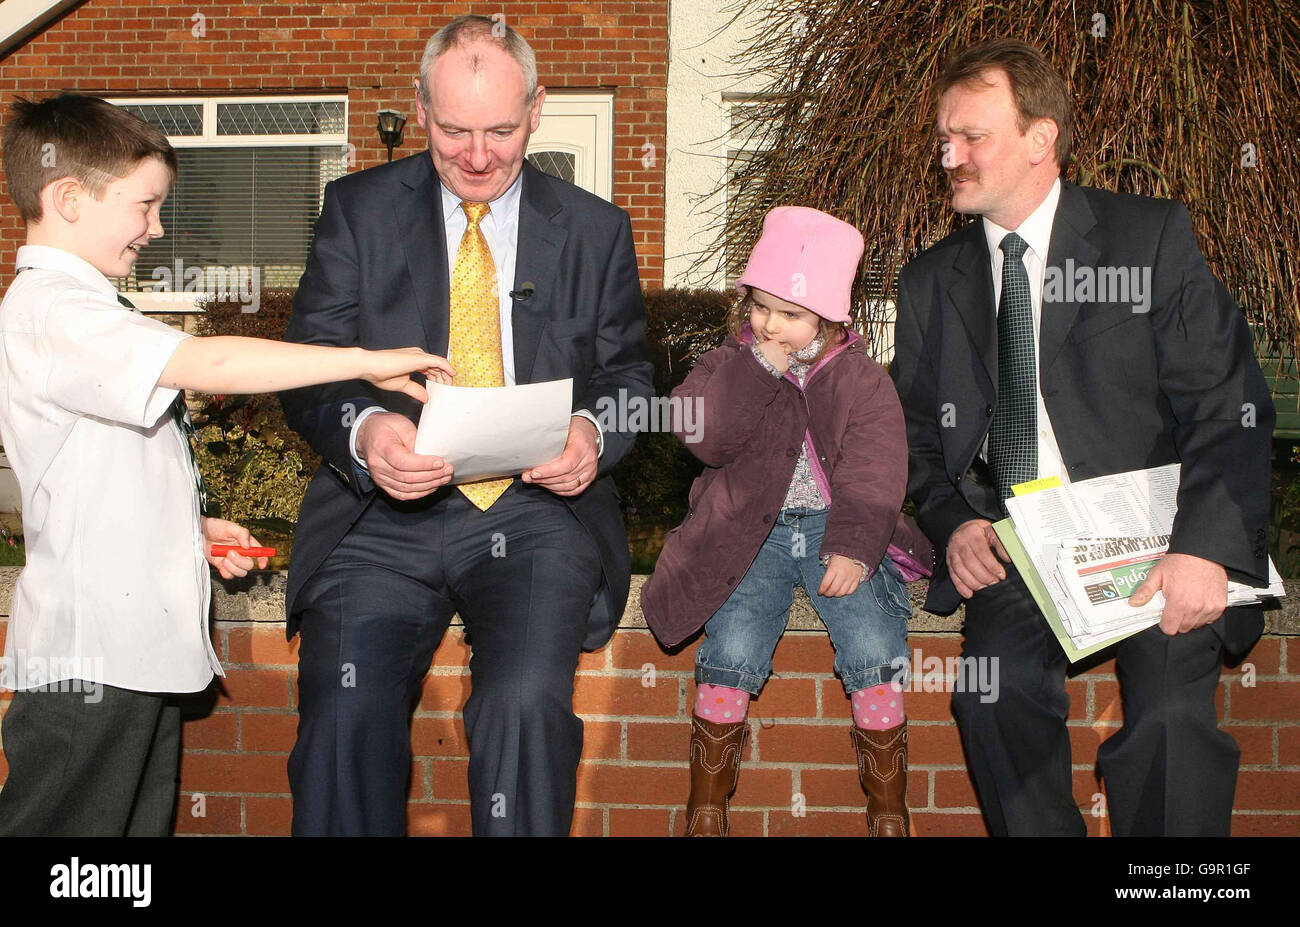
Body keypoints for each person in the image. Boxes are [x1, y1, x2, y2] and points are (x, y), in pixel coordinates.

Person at [0, 93, 454, 836]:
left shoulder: (83, 312)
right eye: (143, 205)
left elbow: (104, 467)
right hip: (94, 659)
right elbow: (205, 360)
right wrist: (364, 358)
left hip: (128, 653)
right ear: (68, 197)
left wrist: (193, 528)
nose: (155, 228)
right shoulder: (53, 310)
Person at [278, 15, 653, 837]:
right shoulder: (357, 211)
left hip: (535, 516)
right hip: (378, 521)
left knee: (523, 704)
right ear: (419, 111)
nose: (478, 156)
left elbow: (631, 380)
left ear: (537, 110)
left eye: (500, 131)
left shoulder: (597, 230)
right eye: (454, 132)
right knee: (345, 707)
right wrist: (368, 428)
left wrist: (592, 432)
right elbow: (305, 365)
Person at [890, 39, 1274, 836]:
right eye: (943, 138)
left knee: (1171, 716)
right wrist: (951, 520)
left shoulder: (1148, 239)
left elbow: (1227, 402)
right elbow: (913, 437)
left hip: (1157, 536)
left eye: (972, 136)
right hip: (1021, 544)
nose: (949, 155)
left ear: (1040, 138)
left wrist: (1204, 547)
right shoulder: (932, 281)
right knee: (991, 693)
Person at [641, 207, 932, 836]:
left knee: (874, 648)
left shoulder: (861, 380)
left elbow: (876, 468)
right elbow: (705, 438)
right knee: (733, 648)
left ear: (830, 320)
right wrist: (758, 368)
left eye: (792, 316)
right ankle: (707, 810)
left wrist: (856, 547)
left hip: (836, 530)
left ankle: (889, 814)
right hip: (751, 537)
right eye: (761, 307)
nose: (771, 325)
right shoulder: (727, 364)